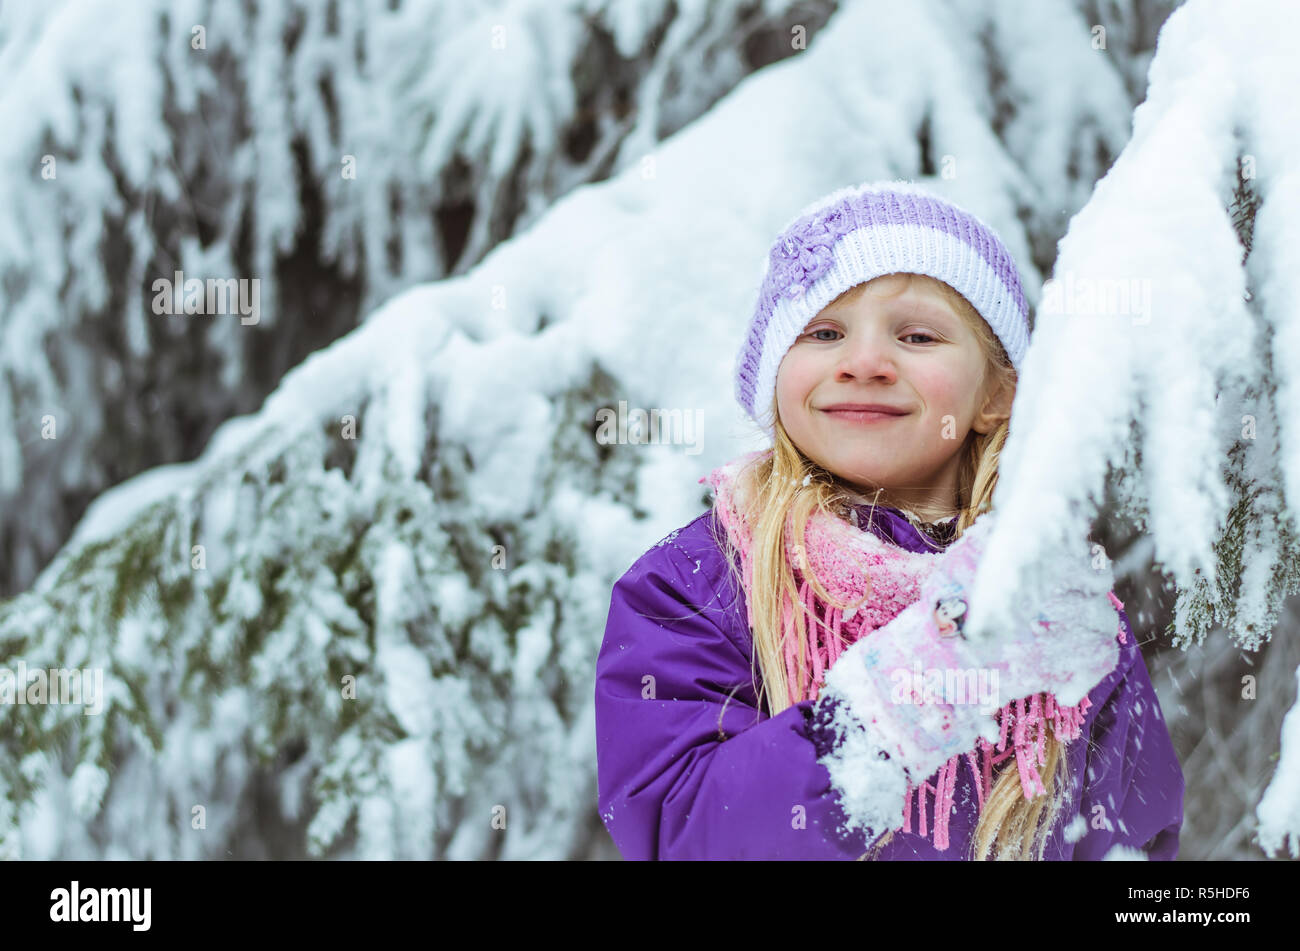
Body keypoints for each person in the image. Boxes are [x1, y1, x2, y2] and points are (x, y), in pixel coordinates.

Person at [594, 180, 1185, 860]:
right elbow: (680, 829)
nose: (866, 363)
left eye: (917, 335)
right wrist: (893, 705)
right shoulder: (696, 586)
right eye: (824, 332)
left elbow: (1134, 846)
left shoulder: (1056, 609)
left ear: (998, 394)